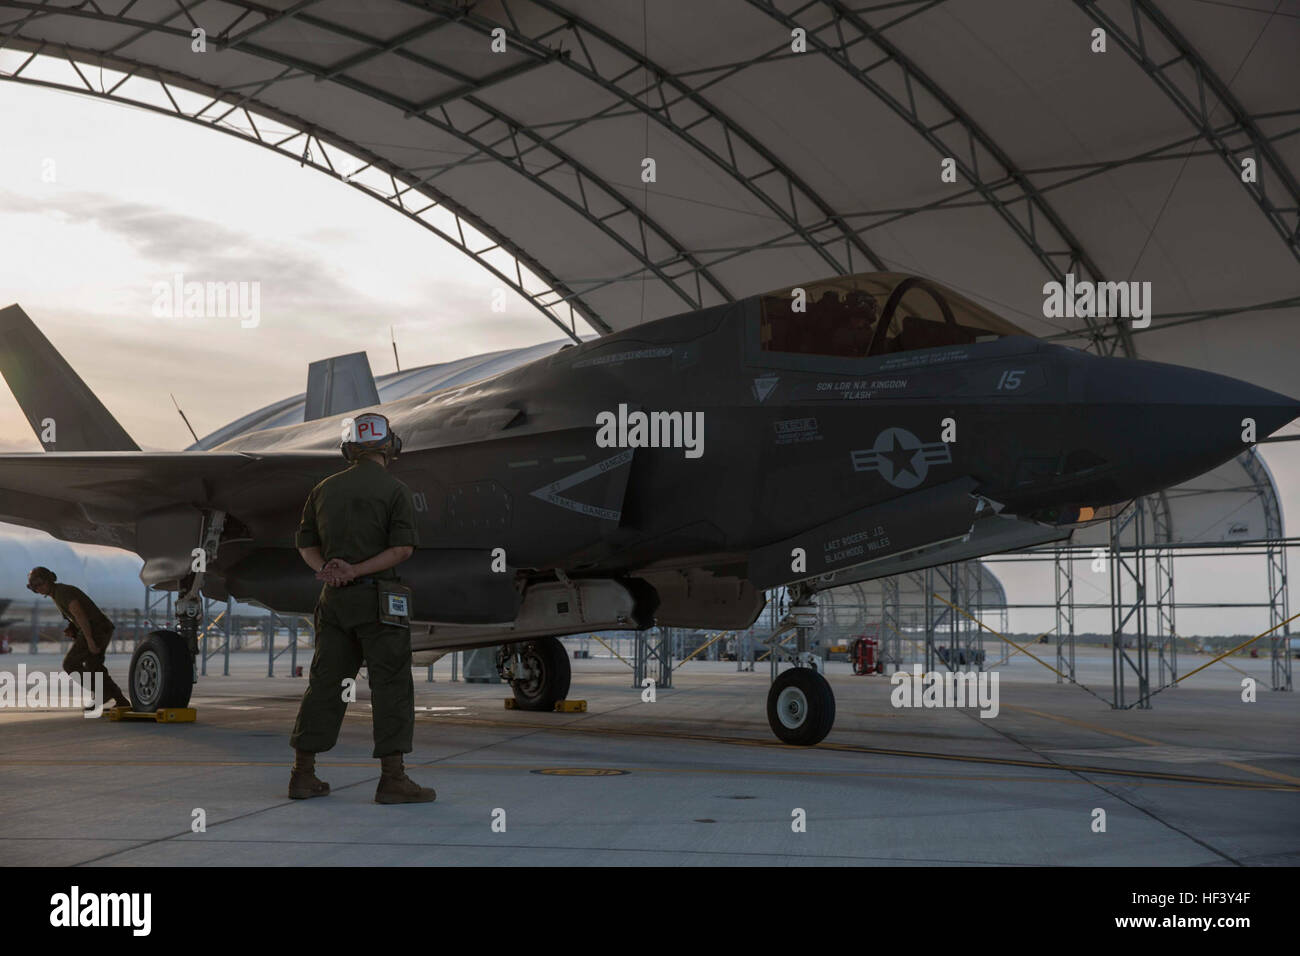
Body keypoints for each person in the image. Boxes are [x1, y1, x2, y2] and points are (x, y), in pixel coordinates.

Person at [287, 412, 435, 804]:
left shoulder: (323, 489)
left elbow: (306, 545)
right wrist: (356, 570)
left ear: (349, 448)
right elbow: (401, 549)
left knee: (325, 683)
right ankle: (393, 780)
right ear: (390, 447)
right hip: (378, 601)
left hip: (333, 601)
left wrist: (330, 571)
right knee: (391, 686)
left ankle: (303, 775)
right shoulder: (396, 489)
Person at [26, 567, 131, 711]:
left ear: (49, 580)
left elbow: (80, 614)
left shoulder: (63, 592)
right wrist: (73, 627)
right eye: (34, 587)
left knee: (70, 664)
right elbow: (77, 616)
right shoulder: (57, 594)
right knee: (95, 666)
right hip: (99, 628)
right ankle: (121, 700)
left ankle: (103, 693)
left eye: (40, 583)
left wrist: (89, 640)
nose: (38, 588)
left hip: (96, 630)